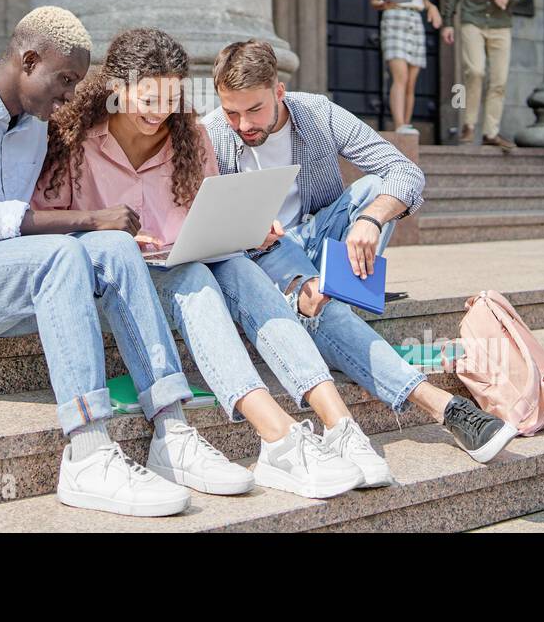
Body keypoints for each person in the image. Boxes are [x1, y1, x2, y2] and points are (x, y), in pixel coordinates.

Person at [0, 7, 244, 518]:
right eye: (63, 80)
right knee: (67, 251)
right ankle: (87, 453)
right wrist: (89, 219)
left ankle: (172, 431)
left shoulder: (33, 125)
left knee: (113, 248)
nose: (69, 96)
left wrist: (102, 231)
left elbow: (16, 236)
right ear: (27, 59)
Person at [34, 28, 389, 498]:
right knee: (197, 276)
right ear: (115, 89)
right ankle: (280, 437)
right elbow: (47, 228)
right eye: (148, 99)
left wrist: (248, 228)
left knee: (237, 266)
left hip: (186, 264)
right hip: (118, 285)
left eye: (171, 98)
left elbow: (205, 215)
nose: (161, 111)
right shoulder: (73, 141)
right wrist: (104, 232)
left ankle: (339, 424)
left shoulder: (190, 138)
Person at [202, 39, 520, 465]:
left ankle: (325, 299)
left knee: (375, 190)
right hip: (265, 255)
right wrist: (244, 231)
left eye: (254, 110)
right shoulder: (212, 133)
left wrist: (370, 220)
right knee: (320, 306)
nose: (242, 124)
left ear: (278, 92)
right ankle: (443, 407)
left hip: (321, 235)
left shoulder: (316, 113)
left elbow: (405, 172)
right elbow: (195, 222)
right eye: (232, 111)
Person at [440, 0, 531, 148]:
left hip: (501, 23)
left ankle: (491, 133)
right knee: (476, 71)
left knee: (499, 80)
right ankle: (469, 124)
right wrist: (447, 21)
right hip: (472, 19)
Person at [370, 0, 442, 136]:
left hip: (415, 21)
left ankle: (406, 124)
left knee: (411, 80)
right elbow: (374, 0)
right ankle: (399, 124)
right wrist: (385, 2)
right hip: (394, 19)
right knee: (399, 76)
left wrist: (433, 8)